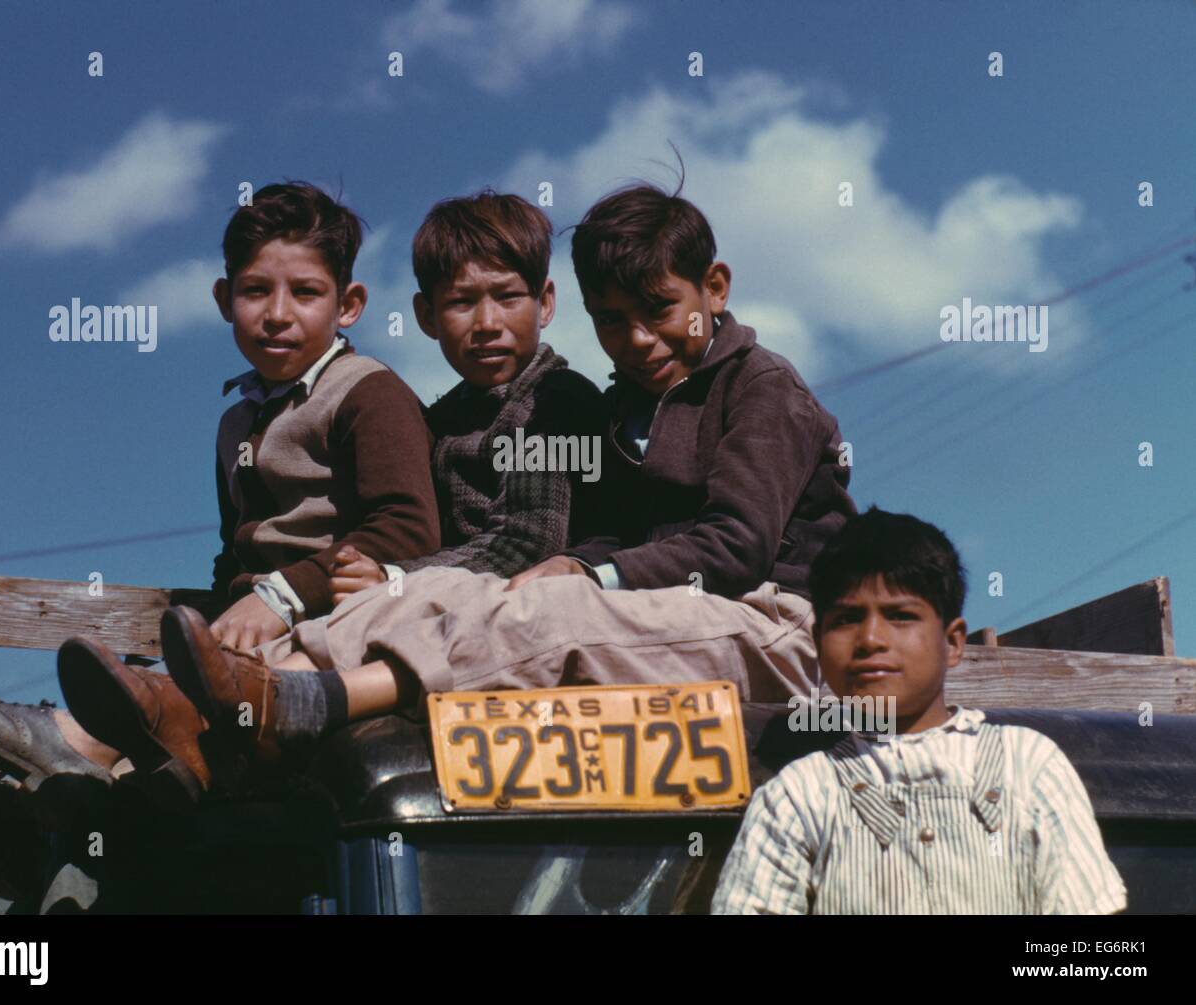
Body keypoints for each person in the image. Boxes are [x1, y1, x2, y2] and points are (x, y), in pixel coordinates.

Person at [156, 179, 857, 775]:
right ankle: (194, 708)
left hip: (780, 622)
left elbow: (734, 545)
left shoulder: (755, 387)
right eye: (612, 320)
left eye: (660, 310)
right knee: (442, 598)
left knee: (531, 609)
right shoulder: (628, 407)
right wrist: (582, 563)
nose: (639, 338)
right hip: (678, 617)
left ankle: (310, 697)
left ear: (716, 287)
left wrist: (583, 572)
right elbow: (615, 532)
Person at [0, 181, 441, 812]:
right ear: (223, 298)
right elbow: (231, 553)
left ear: (348, 304)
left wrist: (283, 592)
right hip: (250, 639)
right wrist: (222, 617)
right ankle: (24, 822)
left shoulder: (368, 394)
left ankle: (64, 746)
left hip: (335, 625)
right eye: (254, 291)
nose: (277, 313)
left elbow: (408, 528)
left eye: (305, 293)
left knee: (160, 715)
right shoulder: (236, 423)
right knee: (162, 725)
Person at [710, 508, 1127, 915]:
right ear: (819, 643)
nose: (870, 639)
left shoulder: (1028, 765)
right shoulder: (798, 798)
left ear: (953, 643)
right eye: (847, 619)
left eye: (900, 616)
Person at [329, 189, 606, 599]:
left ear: (545, 303)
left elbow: (527, 546)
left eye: (508, 296)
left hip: (541, 606)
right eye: (461, 301)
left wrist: (393, 580)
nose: (487, 323)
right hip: (457, 601)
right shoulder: (443, 417)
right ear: (427, 316)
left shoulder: (556, 401)